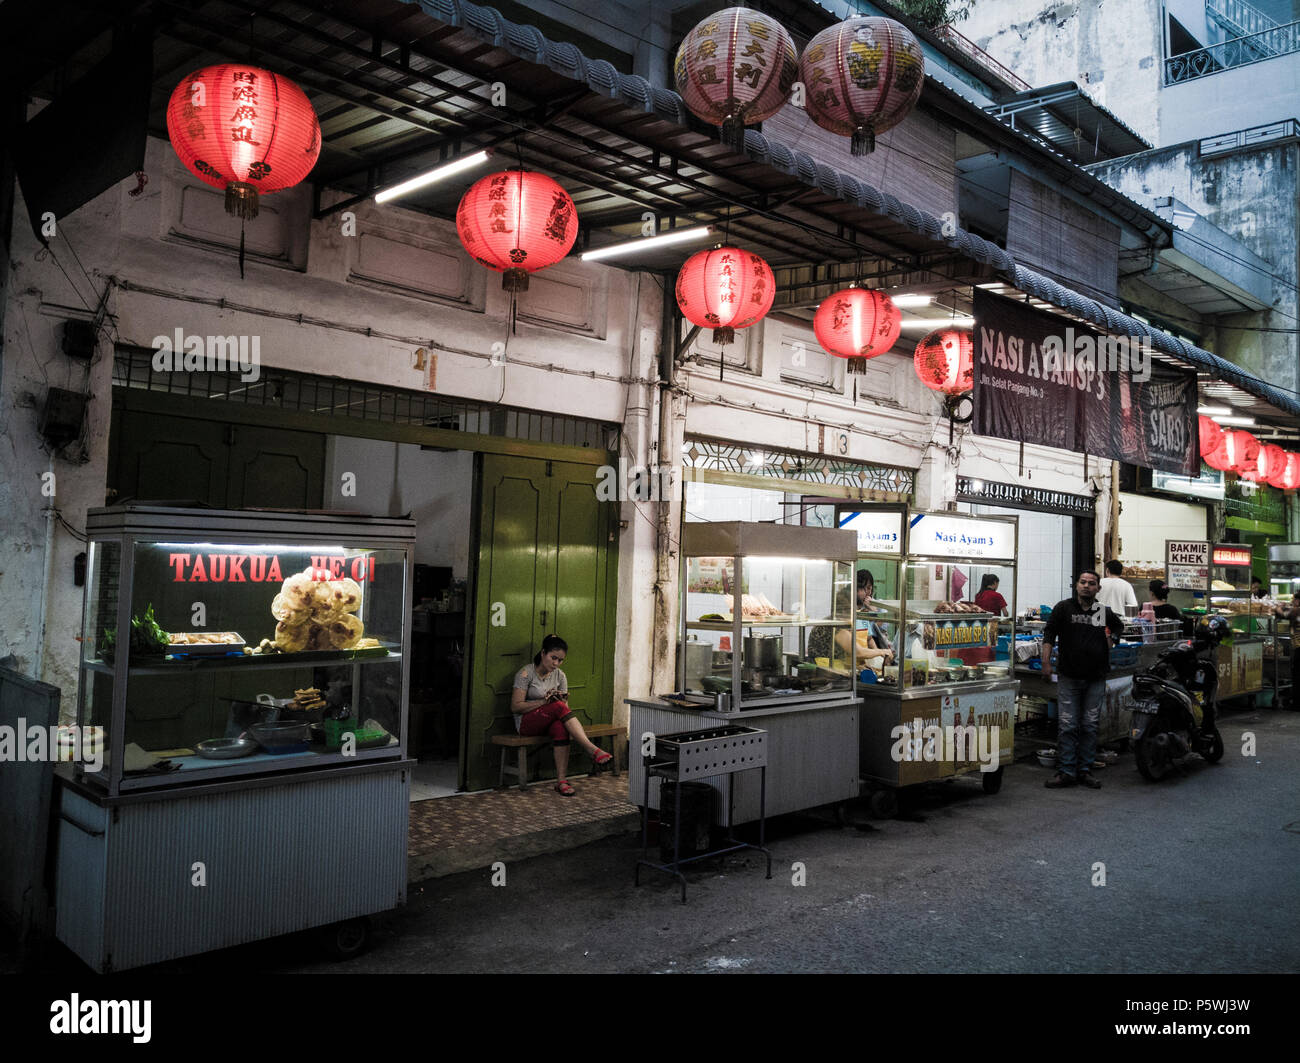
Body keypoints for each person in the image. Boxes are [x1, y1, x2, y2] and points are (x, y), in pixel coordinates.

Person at [1041, 570, 1125, 789]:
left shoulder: (1099, 610)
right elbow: (1049, 634)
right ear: (1076, 585)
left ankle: (1085, 770)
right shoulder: (1064, 608)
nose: (1087, 586)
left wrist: (1111, 638)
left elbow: (1118, 626)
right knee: (1068, 725)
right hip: (1069, 675)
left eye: (1092, 583)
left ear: (1098, 588)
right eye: (1083, 582)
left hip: (1095, 677)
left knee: (1089, 725)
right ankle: (1066, 771)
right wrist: (1046, 662)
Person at [511, 634, 613, 796]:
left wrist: (561, 701)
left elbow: (564, 710)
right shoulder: (526, 673)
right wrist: (545, 702)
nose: (556, 663)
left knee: (561, 727)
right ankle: (590, 748)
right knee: (557, 706)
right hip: (526, 723)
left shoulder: (560, 675)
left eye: (560, 660)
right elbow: (515, 707)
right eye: (553, 658)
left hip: (549, 721)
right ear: (543, 653)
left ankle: (561, 781)